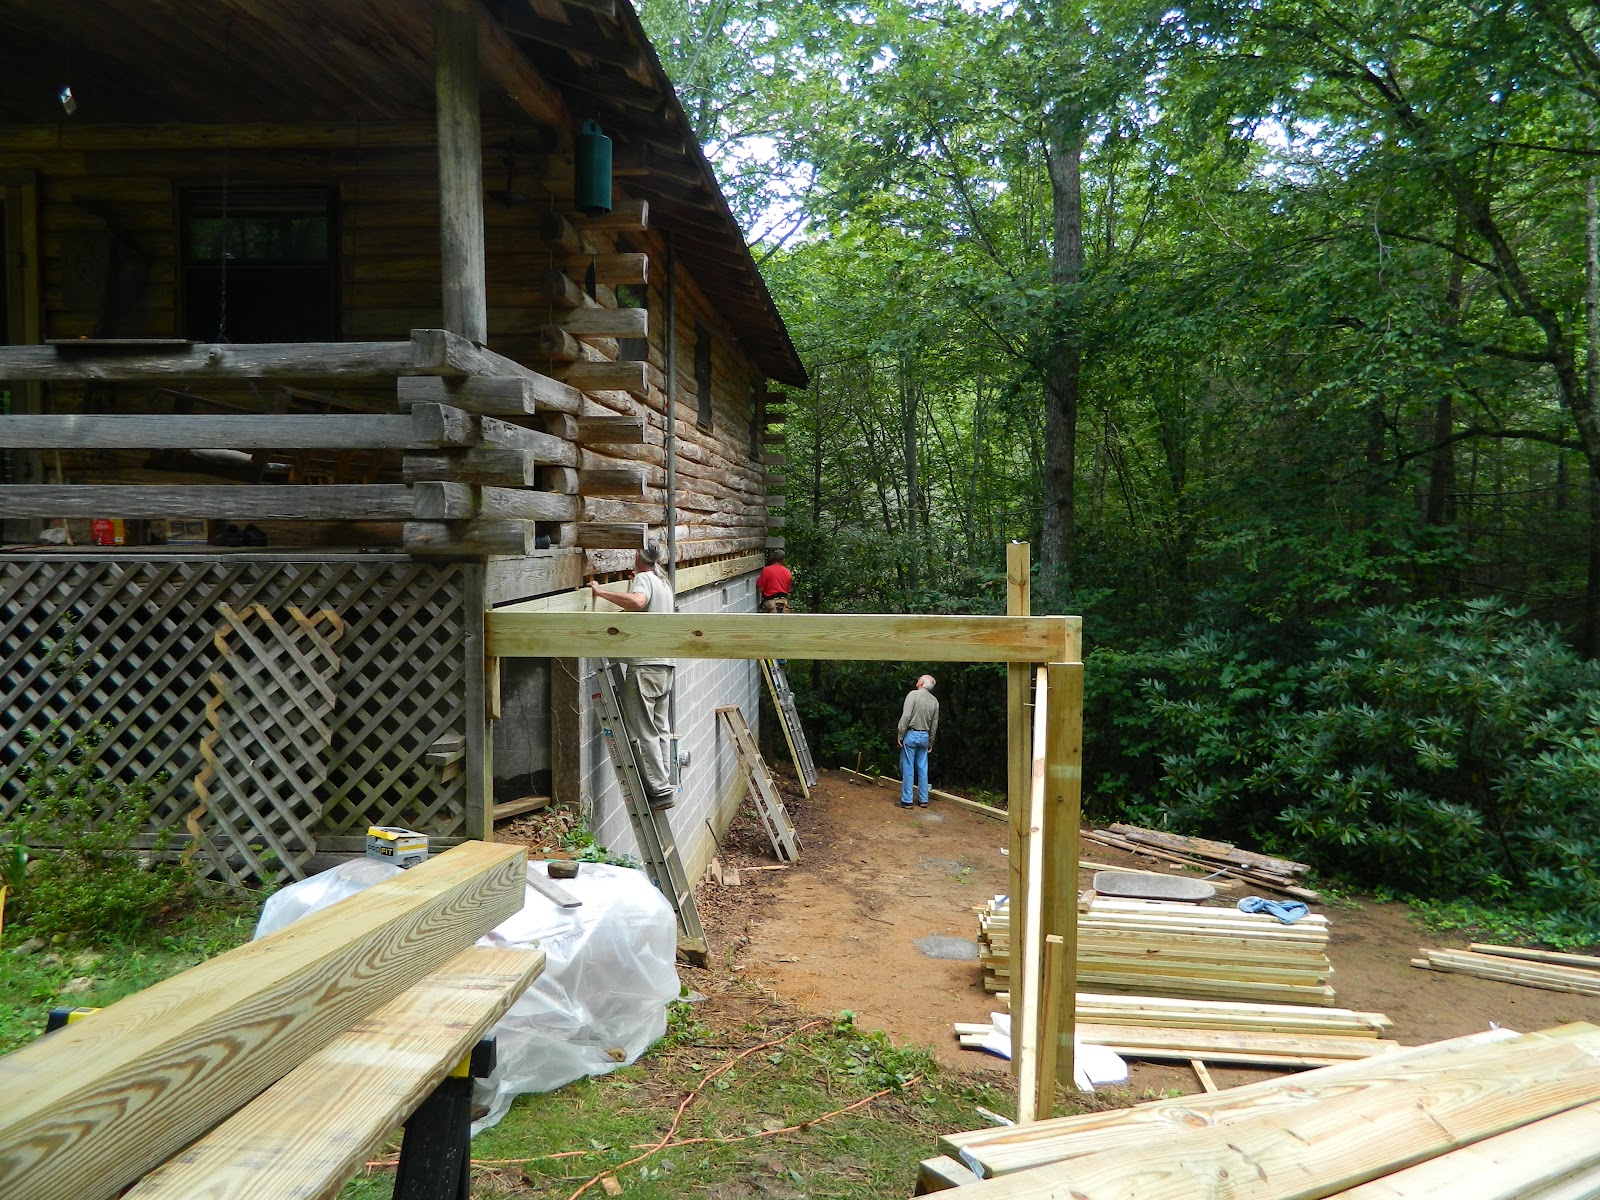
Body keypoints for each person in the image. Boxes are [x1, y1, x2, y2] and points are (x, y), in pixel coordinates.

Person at [588, 539, 678, 809]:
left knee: (642, 731)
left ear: (639, 556)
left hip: (645, 666)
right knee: (660, 729)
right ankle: (665, 785)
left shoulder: (644, 579)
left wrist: (600, 592)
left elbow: (638, 602)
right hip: (665, 665)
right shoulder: (663, 581)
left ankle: (659, 790)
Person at [896, 674, 939, 808]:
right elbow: (934, 724)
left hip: (912, 734)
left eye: (919, 679)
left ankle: (907, 800)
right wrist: (931, 742)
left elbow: (906, 716)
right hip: (925, 736)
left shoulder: (913, 695)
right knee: (922, 767)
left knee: (908, 767)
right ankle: (923, 799)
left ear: (921, 682)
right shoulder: (934, 701)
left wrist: (900, 734)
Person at [757, 549, 793, 613]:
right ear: (783, 560)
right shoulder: (788, 572)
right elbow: (788, 590)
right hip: (783, 602)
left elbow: (760, 589)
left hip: (770, 602)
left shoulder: (766, 570)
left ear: (773, 559)